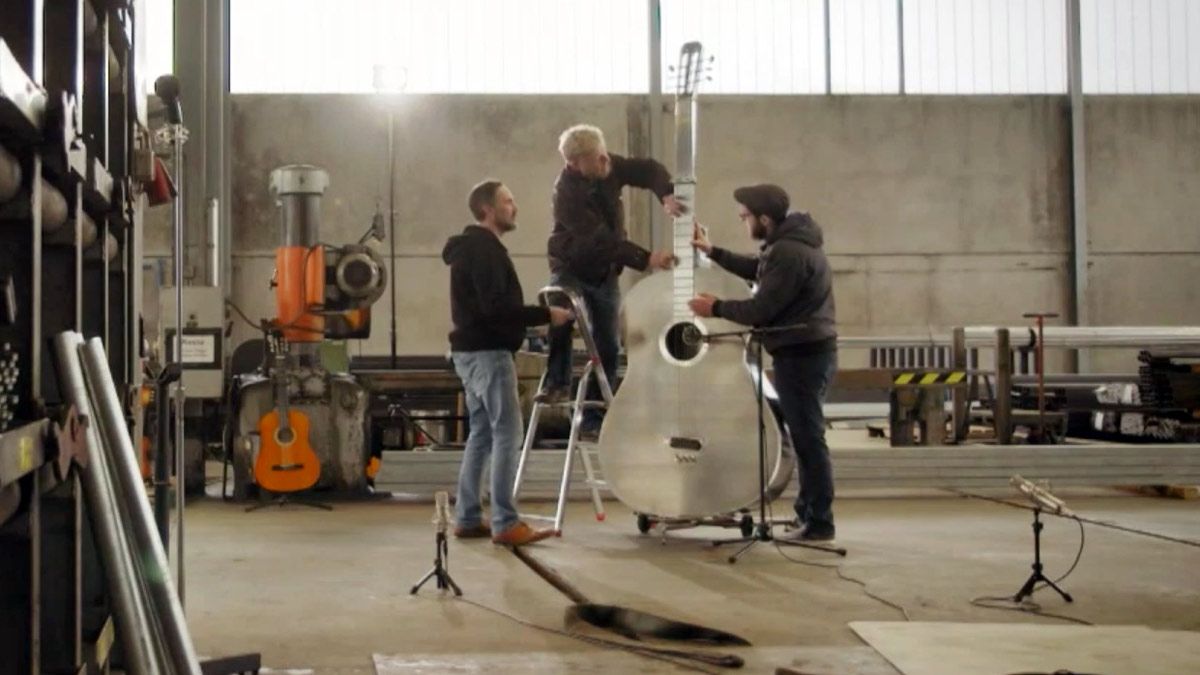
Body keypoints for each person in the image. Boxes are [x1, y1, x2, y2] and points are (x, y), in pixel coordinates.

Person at [688, 184, 839, 542]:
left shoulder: (788, 252)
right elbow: (759, 270)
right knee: (803, 435)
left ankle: (819, 522)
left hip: (802, 355)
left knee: (808, 438)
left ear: (764, 219)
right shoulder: (789, 245)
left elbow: (761, 309)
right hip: (804, 352)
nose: (744, 223)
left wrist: (717, 309)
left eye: (745, 217)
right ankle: (808, 513)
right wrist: (714, 252)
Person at [442, 179, 573, 545]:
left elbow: (489, 309)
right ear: (488, 209)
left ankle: (468, 517)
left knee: (482, 433)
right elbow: (496, 309)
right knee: (507, 434)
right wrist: (547, 316)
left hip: (469, 352)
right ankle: (505, 522)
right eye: (507, 201)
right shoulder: (484, 250)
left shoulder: (471, 249)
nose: (514, 207)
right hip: (488, 353)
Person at [542, 124, 682, 439]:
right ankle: (557, 382)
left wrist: (667, 194)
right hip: (571, 266)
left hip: (604, 273)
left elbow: (648, 170)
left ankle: (593, 416)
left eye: (605, 154)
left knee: (606, 343)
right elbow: (599, 240)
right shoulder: (566, 195)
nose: (606, 162)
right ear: (575, 164)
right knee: (561, 315)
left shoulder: (607, 164)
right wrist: (645, 259)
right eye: (597, 159)